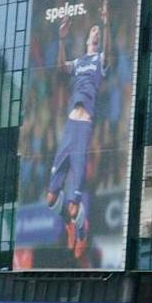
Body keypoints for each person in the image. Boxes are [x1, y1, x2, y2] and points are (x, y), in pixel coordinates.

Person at [45, 22, 106, 260]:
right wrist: (61, 39)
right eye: (94, 29)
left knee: (73, 207)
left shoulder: (100, 59)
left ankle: (81, 231)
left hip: (84, 128)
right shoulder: (79, 62)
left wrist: (107, 22)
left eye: (98, 31)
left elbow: (108, 50)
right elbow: (61, 67)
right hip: (70, 125)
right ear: (87, 37)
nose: (96, 32)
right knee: (50, 198)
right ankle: (70, 225)